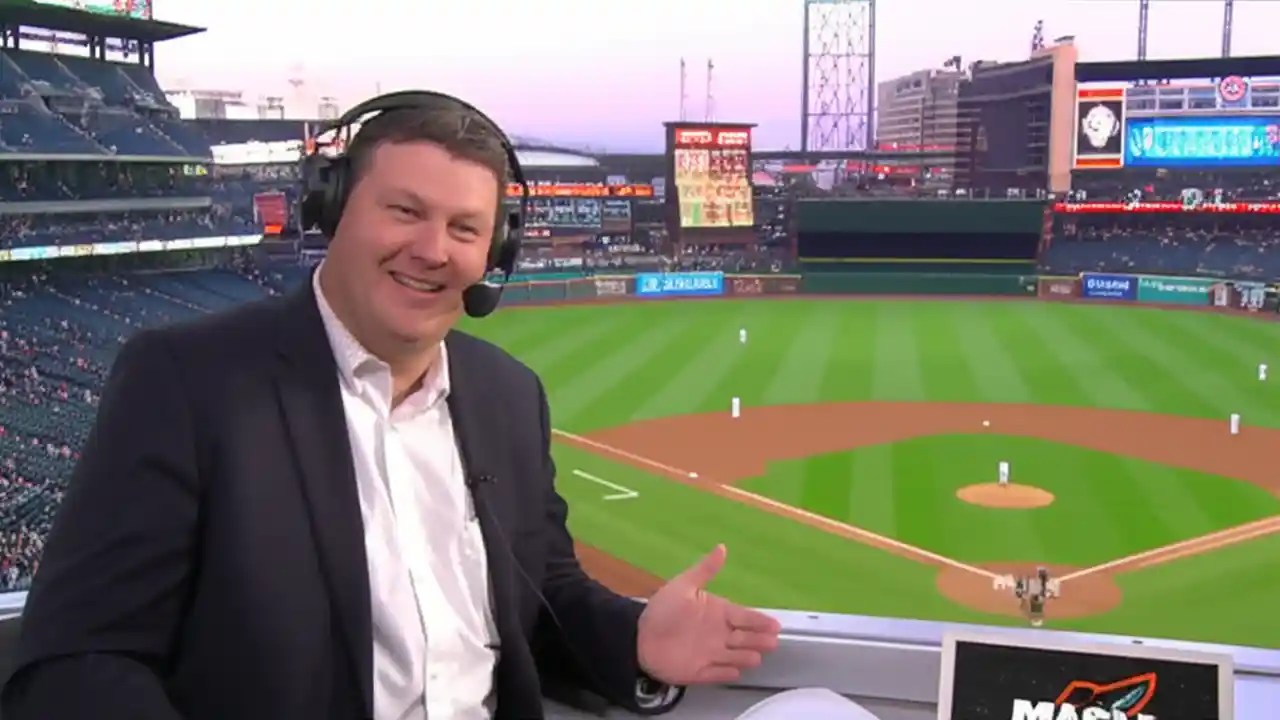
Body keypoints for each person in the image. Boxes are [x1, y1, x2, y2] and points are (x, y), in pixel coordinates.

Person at [1, 94, 781, 720]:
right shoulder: (185, 381)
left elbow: (542, 599)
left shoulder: (510, 397)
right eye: (405, 212)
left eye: (465, 228)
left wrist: (636, 639)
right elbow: (74, 664)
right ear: (334, 208)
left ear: (494, 255)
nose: (433, 249)